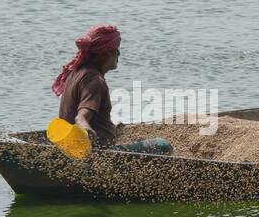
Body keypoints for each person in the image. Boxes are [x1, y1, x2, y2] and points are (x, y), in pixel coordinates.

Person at [52, 25, 172, 154]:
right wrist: (84, 125)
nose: (119, 54)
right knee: (162, 145)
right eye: (116, 50)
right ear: (104, 54)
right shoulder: (94, 80)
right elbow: (81, 117)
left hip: (70, 148)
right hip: (98, 152)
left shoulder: (76, 72)